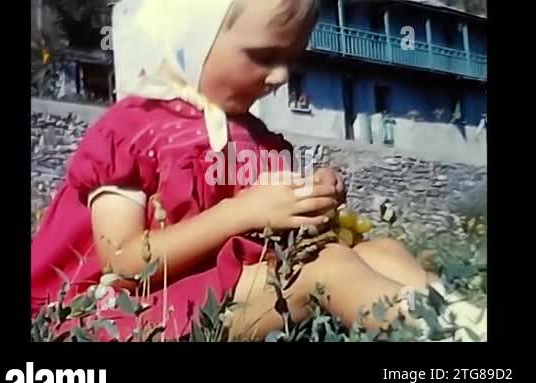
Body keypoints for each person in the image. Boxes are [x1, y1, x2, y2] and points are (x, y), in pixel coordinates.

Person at [31, 0, 434, 342]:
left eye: (290, 58)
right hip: (124, 310)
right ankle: (437, 339)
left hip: (220, 286)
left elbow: (267, 230)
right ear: (187, 38)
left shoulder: (251, 137)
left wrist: (308, 200)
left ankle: (456, 321)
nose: (280, 76)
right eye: (263, 56)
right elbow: (123, 259)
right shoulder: (132, 131)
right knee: (319, 270)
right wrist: (243, 212)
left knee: (384, 251)